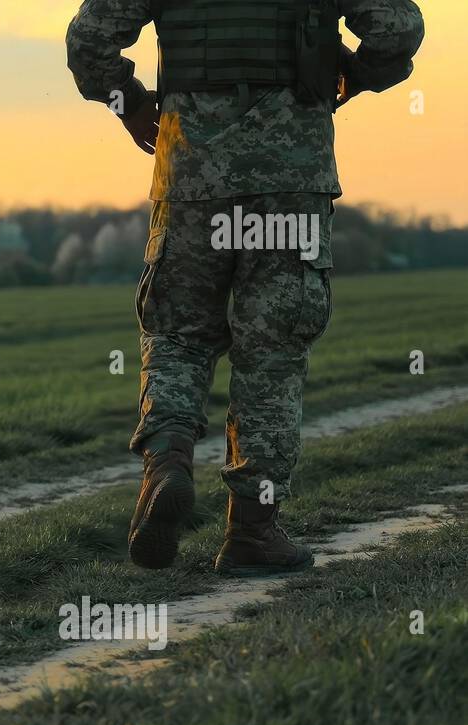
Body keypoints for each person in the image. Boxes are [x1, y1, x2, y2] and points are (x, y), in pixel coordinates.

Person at [66, 0, 424, 574]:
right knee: (272, 354)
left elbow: (89, 39)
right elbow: (399, 28)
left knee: (178, 333)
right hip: (290, 184)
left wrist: (131, 104)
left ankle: (167, 461)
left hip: (190, 176)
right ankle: (253, 532)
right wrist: (351, 78)